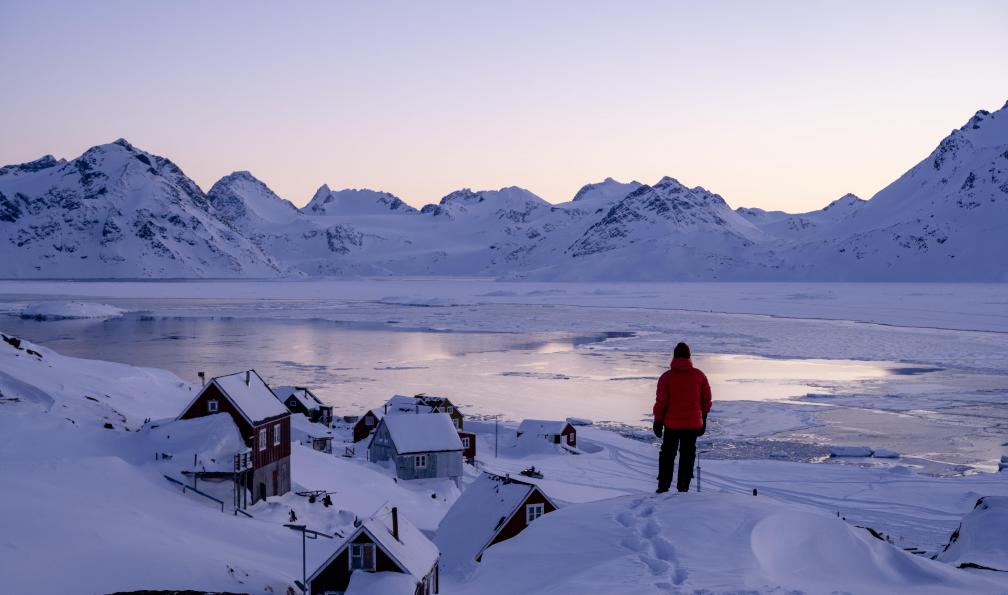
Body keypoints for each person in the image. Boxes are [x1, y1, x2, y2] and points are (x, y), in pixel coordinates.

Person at [652, 342, 712, 493]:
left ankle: (663, 486)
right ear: (689, 357)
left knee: (667, 454)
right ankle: (683, 487)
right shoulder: (699, 376)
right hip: (692, 425)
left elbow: (661, 403)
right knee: (687, 454)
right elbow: (706, 400)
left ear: (674, 356)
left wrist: (658, 422)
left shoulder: (666, 377)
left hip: (671, 425)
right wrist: (703, 419)